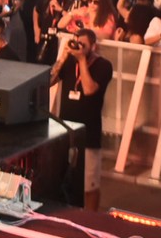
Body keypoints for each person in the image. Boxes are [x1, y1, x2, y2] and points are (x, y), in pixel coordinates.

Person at [51, 28, 112, 211]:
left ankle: (91, 220)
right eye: (76, 43)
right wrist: (63, 58)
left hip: (89, 134)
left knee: (89, 185)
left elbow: (89, 89)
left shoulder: (103, 65)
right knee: (63, 180)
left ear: (93, 46)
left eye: (83, 45)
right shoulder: (69, 62)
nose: (78, 47)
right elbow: (49, 81)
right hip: (66, 131)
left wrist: (82, 60)